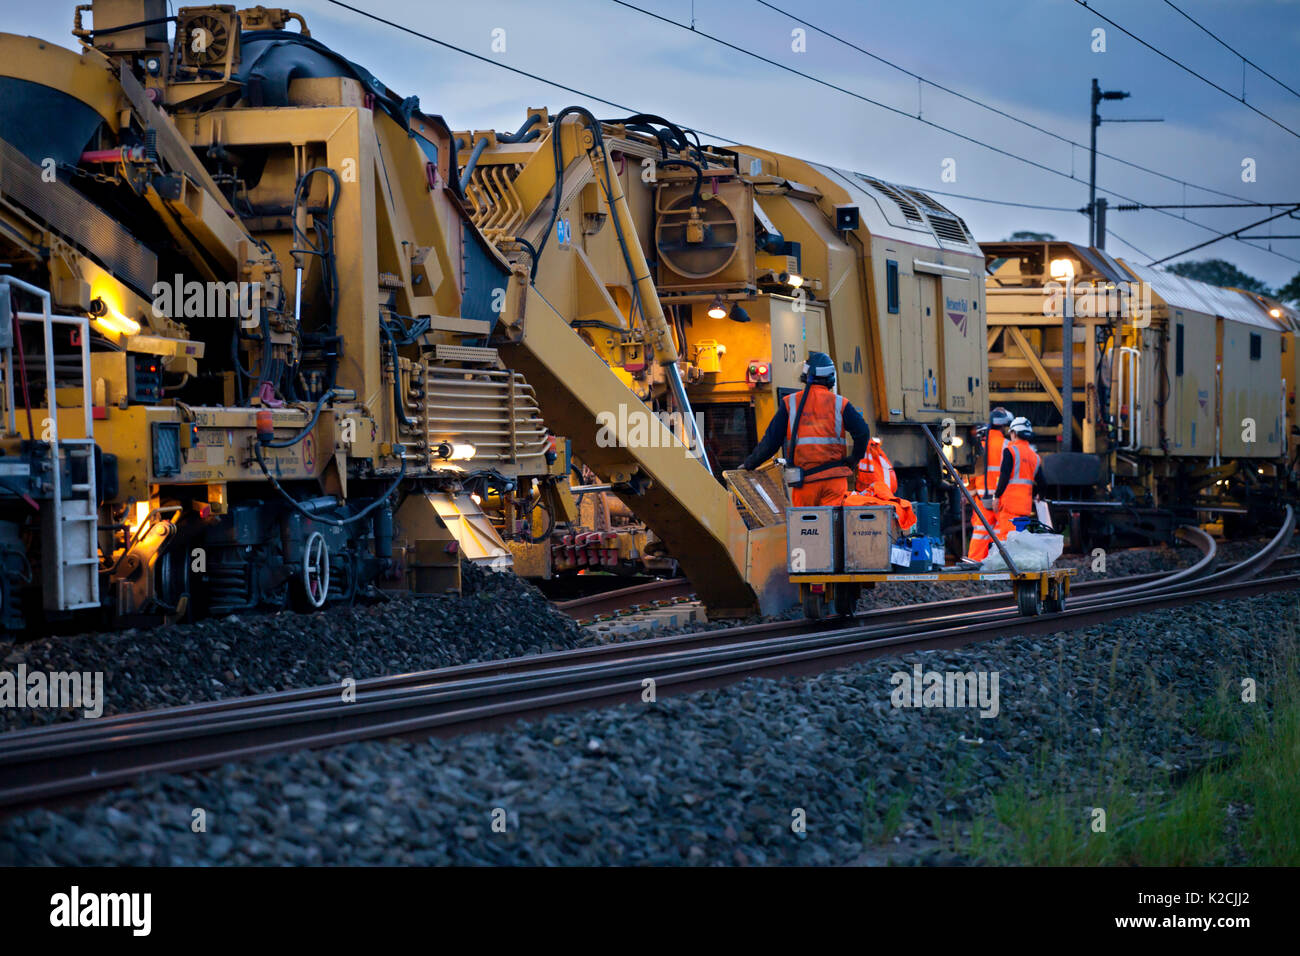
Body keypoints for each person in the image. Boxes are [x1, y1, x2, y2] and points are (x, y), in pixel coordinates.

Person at [741, 350, 870, 506]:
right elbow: (863, 432)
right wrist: (854, 458)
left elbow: (771, 442)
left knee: (806, 528)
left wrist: (749, 464)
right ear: (830, 378)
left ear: (805, 376)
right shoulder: (840, 403)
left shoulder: (790, 403)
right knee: (832, 527)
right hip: (834, 482)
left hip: (805, 483)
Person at [965, 407, 1013, 562]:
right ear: (1004, 426)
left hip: (981, 497)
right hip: (1001, 498)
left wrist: (972, 495)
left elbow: (971, 474)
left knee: (980, 532)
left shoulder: (979, 446)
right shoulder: (1008, 446)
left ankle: (974, 562)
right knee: (1003, 531)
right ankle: (1001, 563)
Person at [991, 416, 1045, 539]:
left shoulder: (1010, 451)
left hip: (1009, 507)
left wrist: (997, 496)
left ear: (1014, 433)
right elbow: (1043, 483)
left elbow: (1004, 477)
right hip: (1025, 508)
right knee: (1019, 541)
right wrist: (1040, 495)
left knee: (1006, 541)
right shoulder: (1035, 457)